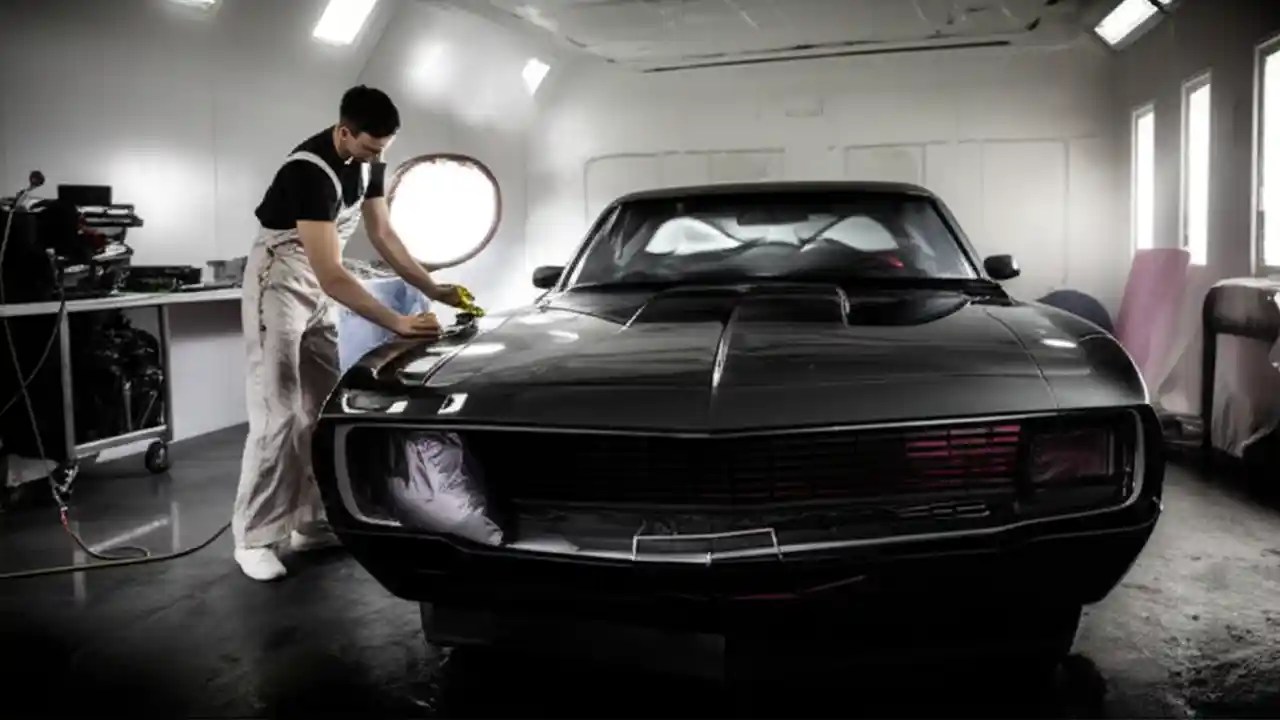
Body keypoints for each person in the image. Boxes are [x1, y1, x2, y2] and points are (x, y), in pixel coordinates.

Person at [232, 85, 464, 581]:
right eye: (369, 148)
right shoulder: (309, 172)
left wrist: (432, 287)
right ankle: (254, 538)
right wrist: (397, 322)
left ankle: (310, 524)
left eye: (383, 150)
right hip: (280, 279)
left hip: (319, 283)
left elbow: (383, 234)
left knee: (320, 410)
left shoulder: (369, 160)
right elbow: (332, 274)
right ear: (344, 132)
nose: (376, 157)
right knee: (278, 411)